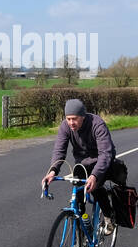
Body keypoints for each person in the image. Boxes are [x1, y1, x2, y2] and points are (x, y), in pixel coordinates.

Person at [40, 98, 127, 234]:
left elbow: (105, 154)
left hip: (102, 161)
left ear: (83, 116)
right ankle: (81, 232)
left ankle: (109, 215)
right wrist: (52, 171)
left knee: (94, 187)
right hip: (82, 163)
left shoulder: (97, 124)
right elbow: (59, 150)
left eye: (74, 119)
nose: (71, 123)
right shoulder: (65, 126)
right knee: (78, 198)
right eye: (68, 119)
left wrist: (95, 176)